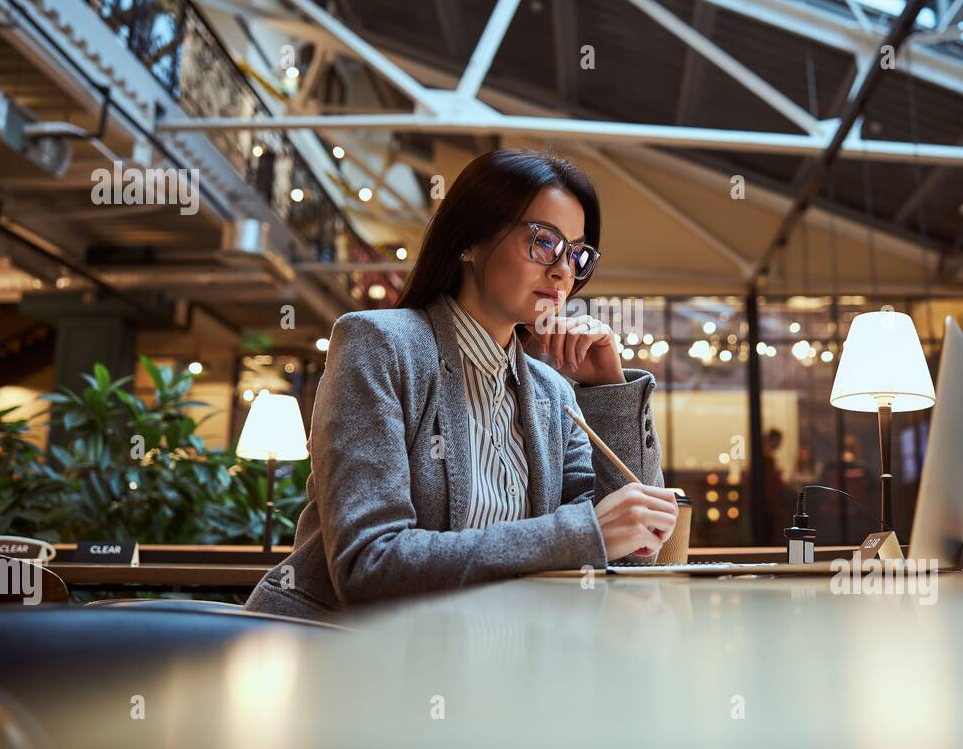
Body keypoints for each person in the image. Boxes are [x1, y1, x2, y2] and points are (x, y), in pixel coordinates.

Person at [244, 148, 678, 620]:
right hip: (343, 657)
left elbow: (634, 550)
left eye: (577, 254)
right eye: (544, 242)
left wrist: (608, 391)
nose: (562, 271)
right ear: (469, 242)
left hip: (489, 664)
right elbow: (368, 564)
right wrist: (582, 534)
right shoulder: (380, 345)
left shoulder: (552, 395)